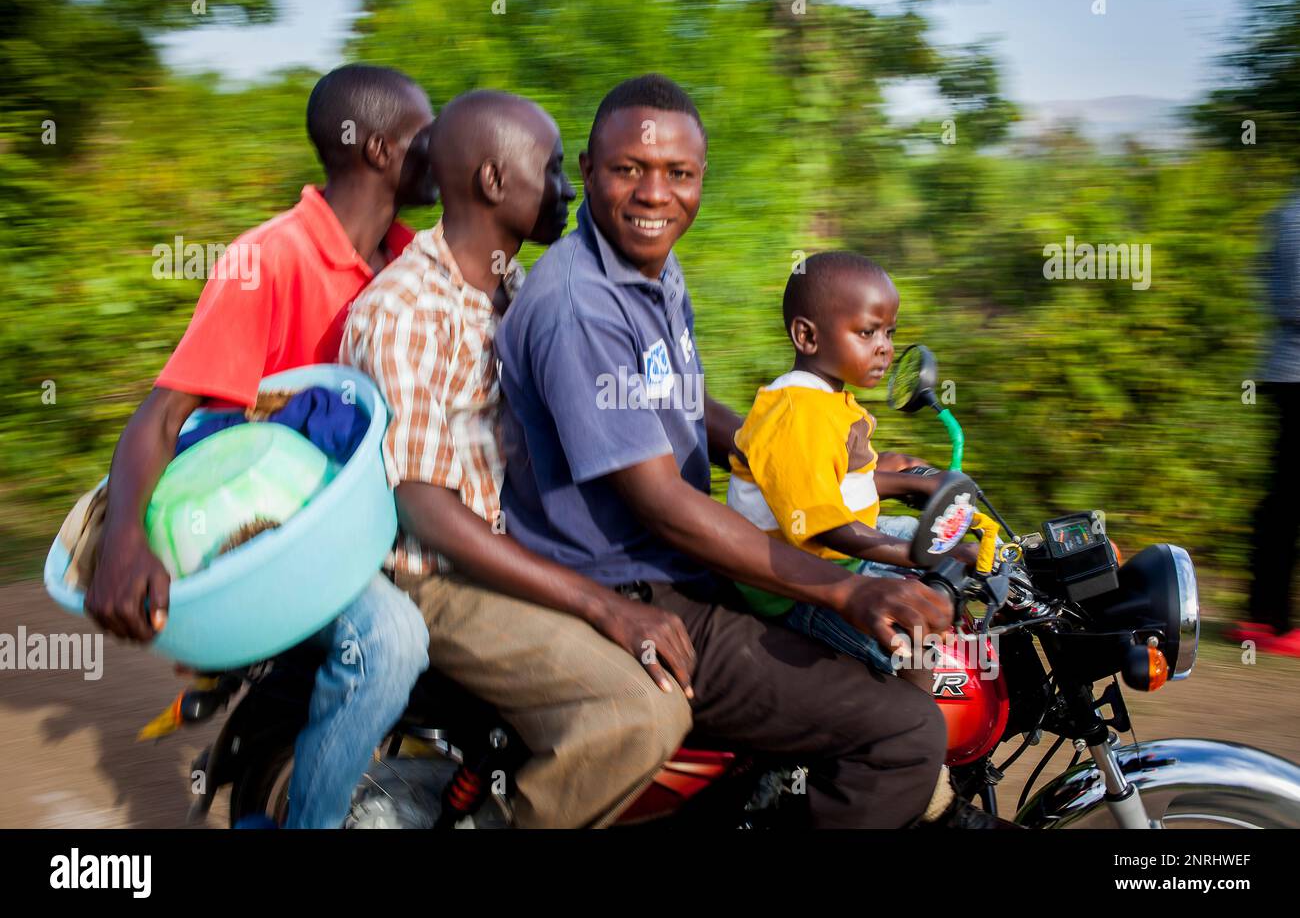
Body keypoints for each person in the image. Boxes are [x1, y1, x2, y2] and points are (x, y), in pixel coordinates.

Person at [495, 73, 994, 827]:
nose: (654, 194)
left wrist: (829, 464)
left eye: (678, 174)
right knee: (902, 729)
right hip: (639, 590)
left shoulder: (649, 270)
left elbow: (685, 409)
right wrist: (844, 590)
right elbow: (663, 504)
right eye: (629, 169)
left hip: (683, 568)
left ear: (700, 182)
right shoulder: (581, 307)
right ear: (591, 173)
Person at [84, 65, 436, 828]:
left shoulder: (416, 258)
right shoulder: (269, 258)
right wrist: (121, 544)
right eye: (425, 139)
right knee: (392, 640)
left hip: (387, 515)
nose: (440, 154)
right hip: (295, 540)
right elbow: (161, 413)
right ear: (378, 149)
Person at [340, 90, 692, 828]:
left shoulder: (513, 288)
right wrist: (603, 604)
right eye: (557, 169)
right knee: (640, 713)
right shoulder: (405, 308)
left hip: (522, 555)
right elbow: (425, 508)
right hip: (440, 579)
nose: (573, 187)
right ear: (496, 183)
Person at [726, 252, 979, 672]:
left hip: (838, 550)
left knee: (971, 556)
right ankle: (919, 728)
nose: (885, 348)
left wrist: (917, 483)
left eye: (889, 333)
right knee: (918, 646)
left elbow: (844, 483)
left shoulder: (825, 400)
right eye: (867, 332)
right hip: (797, 582)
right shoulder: (797, 413)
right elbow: (825, 525)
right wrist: (915, 556)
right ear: (807, 337)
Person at [1230, 190, 1300, 657]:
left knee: (1284, 497)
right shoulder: (1292, 216)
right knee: (1286, 498)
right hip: (1294, 370)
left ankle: (1266, 615)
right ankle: (1268, 619)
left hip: (1285, 368)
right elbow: (1291, 298)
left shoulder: (1283, 212)